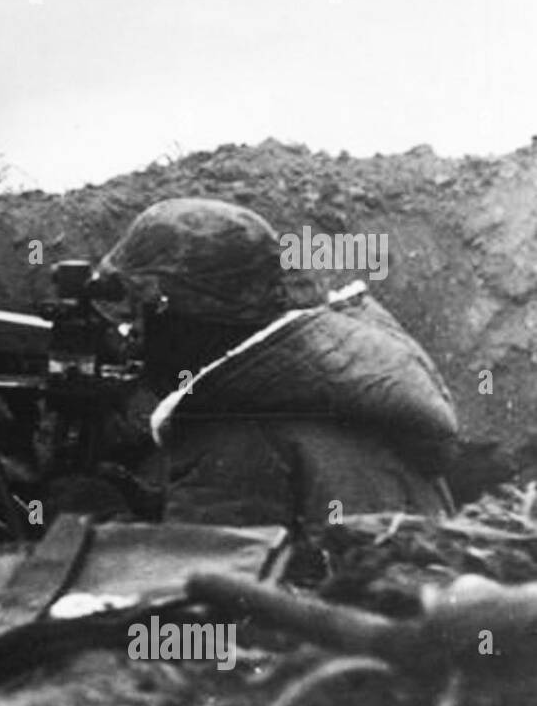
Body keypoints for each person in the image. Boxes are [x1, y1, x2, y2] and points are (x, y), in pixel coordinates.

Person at [91, 198, 458, 527]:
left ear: (181, 315)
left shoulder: (234, 434)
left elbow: (196, 585)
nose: (132, 338)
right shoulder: (335, 388)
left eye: (139, 318)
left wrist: (95, 523)